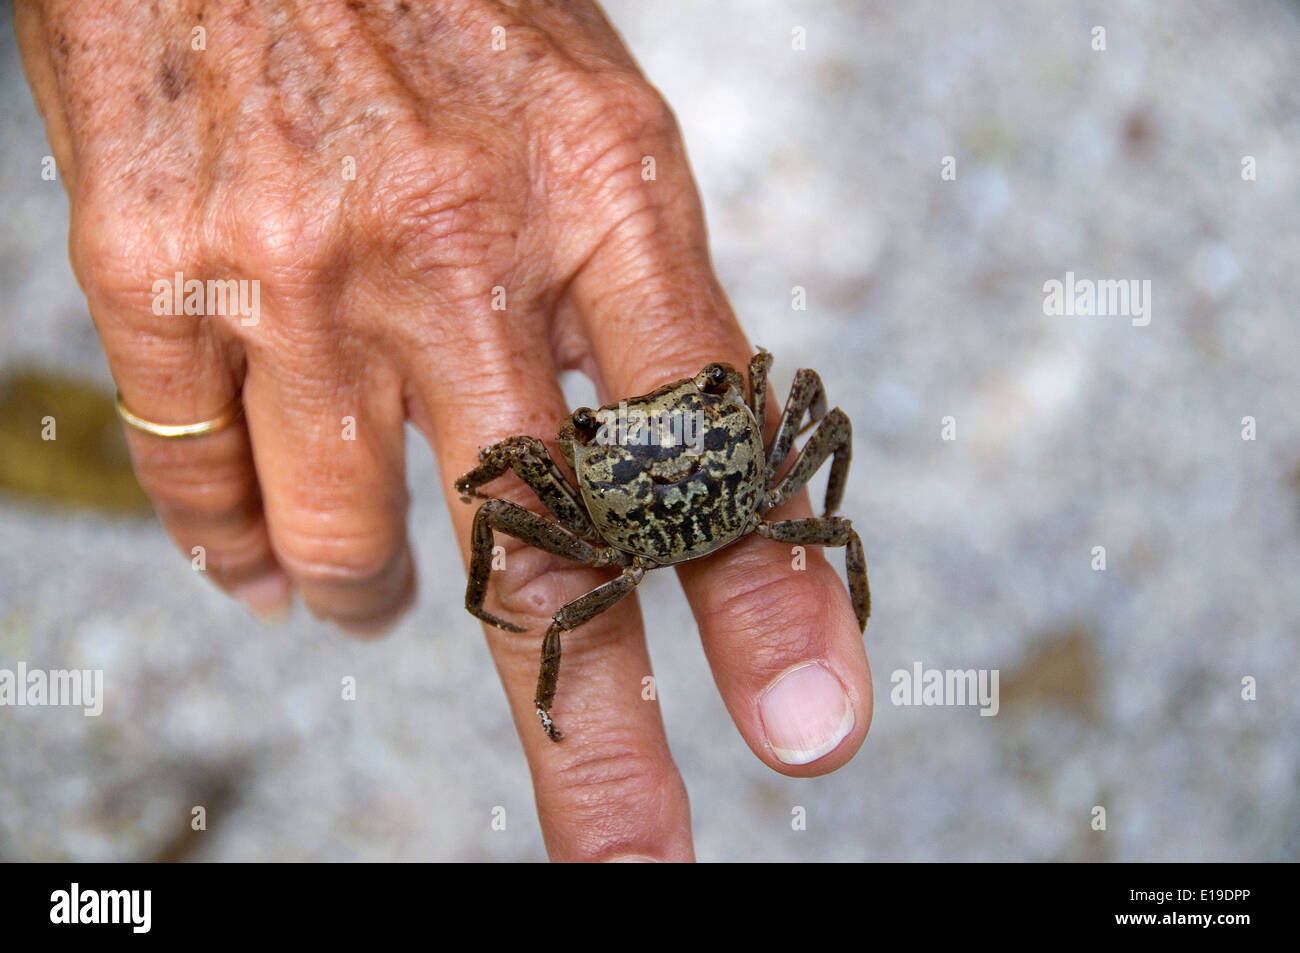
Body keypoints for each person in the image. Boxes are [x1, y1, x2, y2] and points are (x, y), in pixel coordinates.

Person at [15, 0, 873, 861]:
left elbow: (505, 504)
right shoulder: (762, 460)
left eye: (721, 389)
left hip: (642, 526)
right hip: (749, 503)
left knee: (535, 567)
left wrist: (482, 507)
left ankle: (534, 682)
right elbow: (818, 423)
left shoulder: (576, 481)